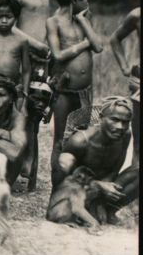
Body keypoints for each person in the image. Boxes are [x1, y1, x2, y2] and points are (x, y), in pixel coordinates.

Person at [47, 0, 103, 164]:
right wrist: (83, 44)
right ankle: (56, 186)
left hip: (85, 90)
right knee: (60, 140)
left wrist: (83, 20)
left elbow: (98, 46)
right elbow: (58, 55)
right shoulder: (53, 22)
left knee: (82, 138)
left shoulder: (85, 18)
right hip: (64, 90)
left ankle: (75, 180)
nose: (88, 3)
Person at [56, 96, 138, 224]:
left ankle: (109, 210)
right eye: (114, 119)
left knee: (137, 170)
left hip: (102, 189)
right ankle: (79, 212)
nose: (120, 126)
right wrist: (99, 186)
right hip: (78, 192)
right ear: (100, 117)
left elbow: (114, 170)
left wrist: (102, 198)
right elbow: (64, 180)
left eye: (125, 122)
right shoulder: (80, 141)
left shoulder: (125, 135)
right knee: (65, 162)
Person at [109, 7, 140, 165]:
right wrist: (124, 67)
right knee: (139, 144)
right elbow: (115, 39)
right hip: (139, 83)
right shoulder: (137, 14)